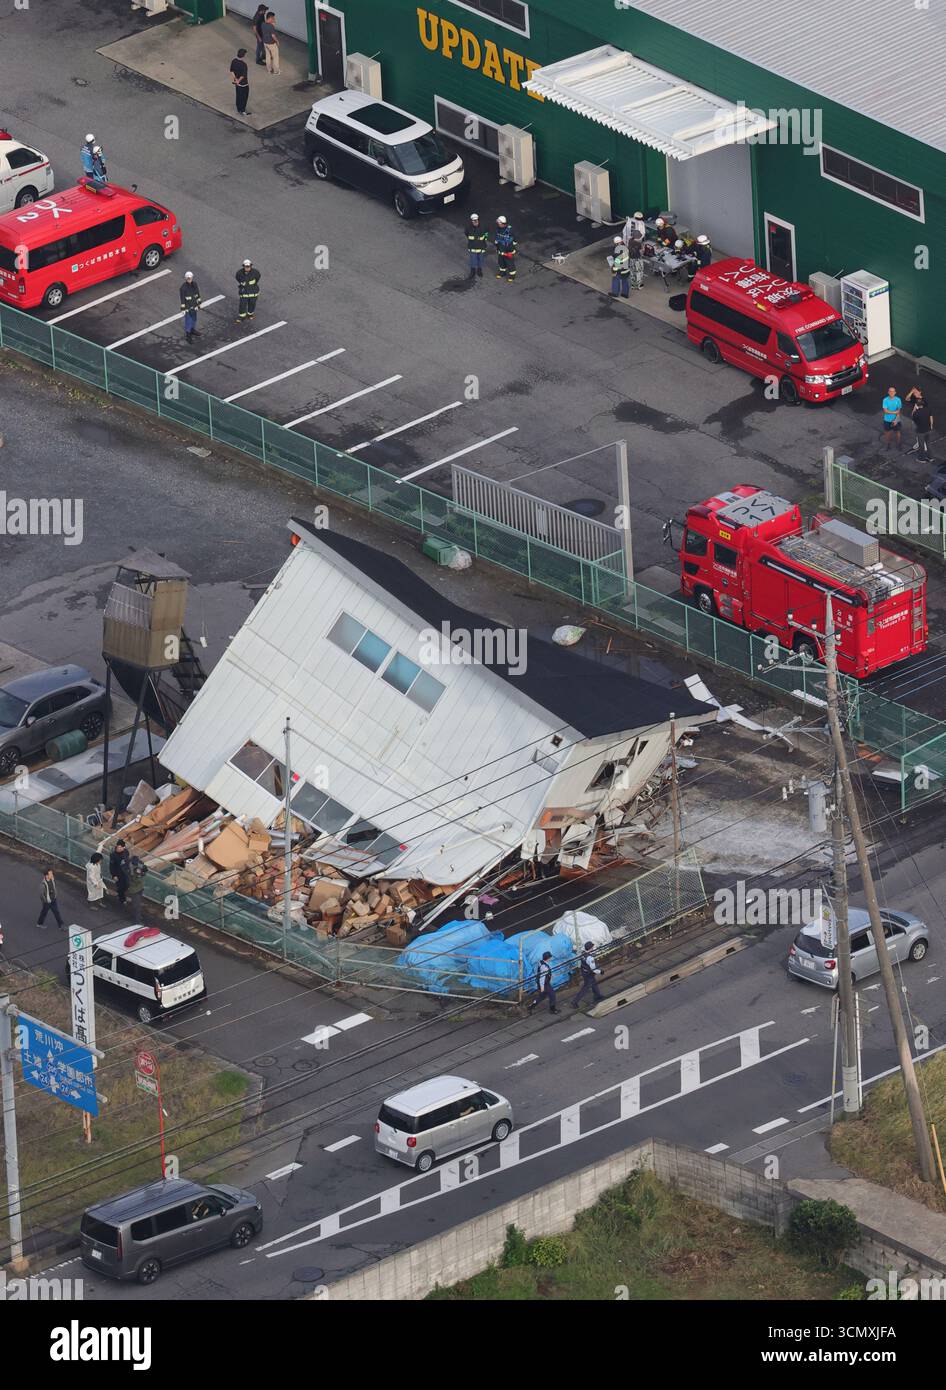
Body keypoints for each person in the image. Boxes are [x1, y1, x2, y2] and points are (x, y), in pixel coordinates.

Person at [572, 942, 603, 1009]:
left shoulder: (583, 953)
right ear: (590, 948)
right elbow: (593, 969)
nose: (593, 948)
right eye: (592, 947)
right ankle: (575, 1002)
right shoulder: (590, 958)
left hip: (584, 972)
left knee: (594, 983)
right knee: (585, 988)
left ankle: (597, 996)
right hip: (589, 973)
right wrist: (600, 971)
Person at [180, 271, 202, 343]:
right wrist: (183, 309)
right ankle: (188, 335)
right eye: (188, 278)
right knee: (188, 321)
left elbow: (197, 294)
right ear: (186, 278)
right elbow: (182, 299)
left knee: (194, 319)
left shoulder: (194, 284)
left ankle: (192, 330)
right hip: (188, 308)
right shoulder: (183, 288)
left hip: (194, 306)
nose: (189, 279)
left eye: (190, 278)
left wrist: (199, 303)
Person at [494, 215, 517, 282]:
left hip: (508, 250)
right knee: (501, 262)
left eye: (499, 223)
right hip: (501, 249)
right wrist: (497, 246)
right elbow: (497, 237)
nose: (498, 224)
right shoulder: (498, 228)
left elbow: (515, 240)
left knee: (509, 263)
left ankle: (512, 275)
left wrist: (511, 250)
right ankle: (502, 272)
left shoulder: (510, 230)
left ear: (502, 223)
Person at [230, 47, 251, 116]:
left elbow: (232, 71)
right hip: (243, 84)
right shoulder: (244, 65)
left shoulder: (234, 61)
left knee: (238, 95)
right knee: (244, 97)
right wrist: (239, 81)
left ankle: (238, 108)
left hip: (237, 83)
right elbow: (243, 76)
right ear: (243, 55)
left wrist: (235, 80)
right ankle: (242, 110)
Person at [466, 213, 488, 278]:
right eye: (473, 220)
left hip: (481, 247)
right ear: (471, 221)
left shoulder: (483, 227)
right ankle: (472, 272)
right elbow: (466, 233)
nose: (475, 222)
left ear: (478, 220)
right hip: (472, 247)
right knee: (473, 260)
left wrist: (485, 239)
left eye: (476, 220)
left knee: (480, 260)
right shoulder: (468, 228)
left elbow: (486, 233)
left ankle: (479, 270)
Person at [109, 839, 131, 905]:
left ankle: (120, 893)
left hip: (125, 872)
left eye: (121, 847)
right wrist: (114, 875)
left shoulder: (126, 852)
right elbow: (111, 866)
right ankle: (122, 899)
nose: (119, 848)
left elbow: (127, 860)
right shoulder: (113, 855)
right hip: (118, 873)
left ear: (124, 847)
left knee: (127, 885)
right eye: (118, 847)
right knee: (120, 886)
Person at [261, 10, 279, 75]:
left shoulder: (263, 24)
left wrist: (273, 24)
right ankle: (276, 71)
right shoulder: (271, 26)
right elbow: (273, 36)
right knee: (275, 57)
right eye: (273, 18)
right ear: (271, 18)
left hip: (265, 42)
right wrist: (277, 41)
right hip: (271, 43)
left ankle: (269, 70)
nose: (274, 19)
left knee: (268, 56)